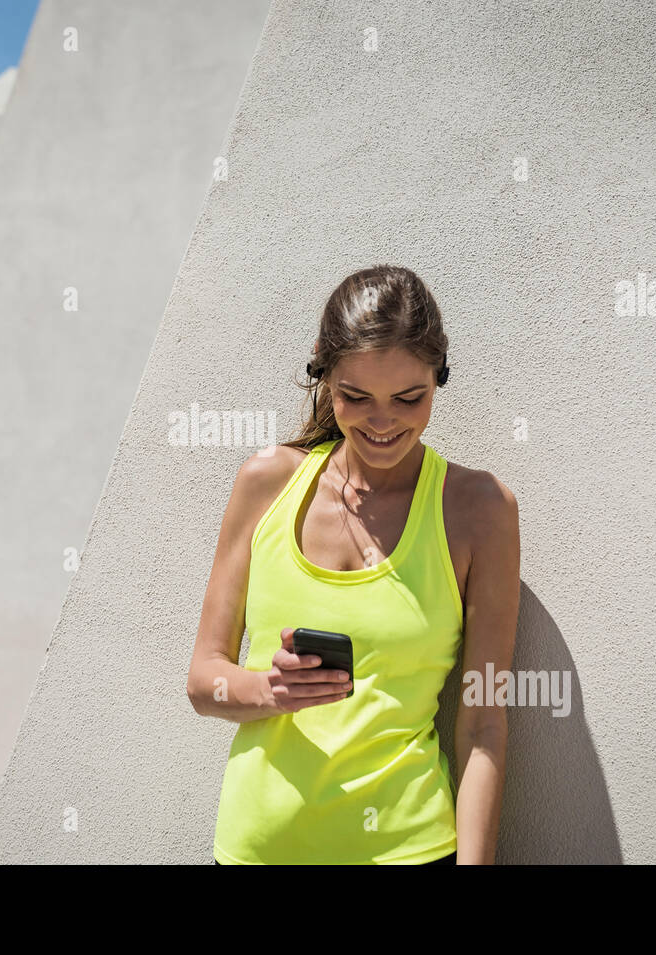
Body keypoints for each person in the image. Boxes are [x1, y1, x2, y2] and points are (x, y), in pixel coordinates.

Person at [187, 264, 520, 864]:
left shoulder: (480, 510)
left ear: (439, 378)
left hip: (409, 851)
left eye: (409, 398)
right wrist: (271, 690)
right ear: (324, 377)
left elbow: (483, 726)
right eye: (356, 397)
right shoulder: (266, 483)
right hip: (257, 851)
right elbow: (203, 681)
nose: (383, 421)